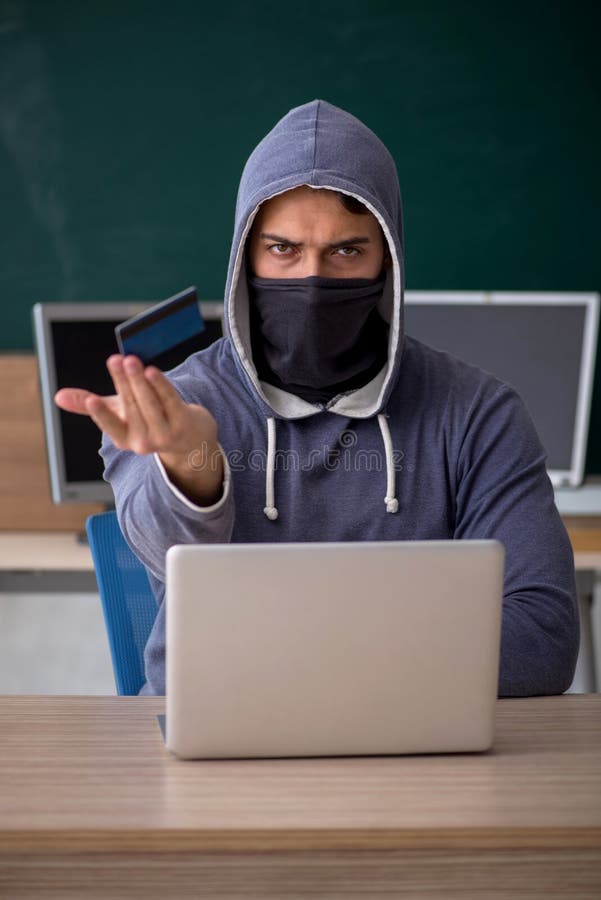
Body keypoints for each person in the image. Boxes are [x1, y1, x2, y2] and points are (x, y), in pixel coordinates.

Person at [55, 99, 579, 697]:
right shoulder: (175, 406)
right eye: (283, 250)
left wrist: (320, 666)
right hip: (219, 754)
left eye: (347, 251)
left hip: (418, 758)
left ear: (390, 260)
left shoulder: (479, 415)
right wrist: (192, 471)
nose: (313, 279)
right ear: (244, 258)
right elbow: (162, 554)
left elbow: (544, 637)